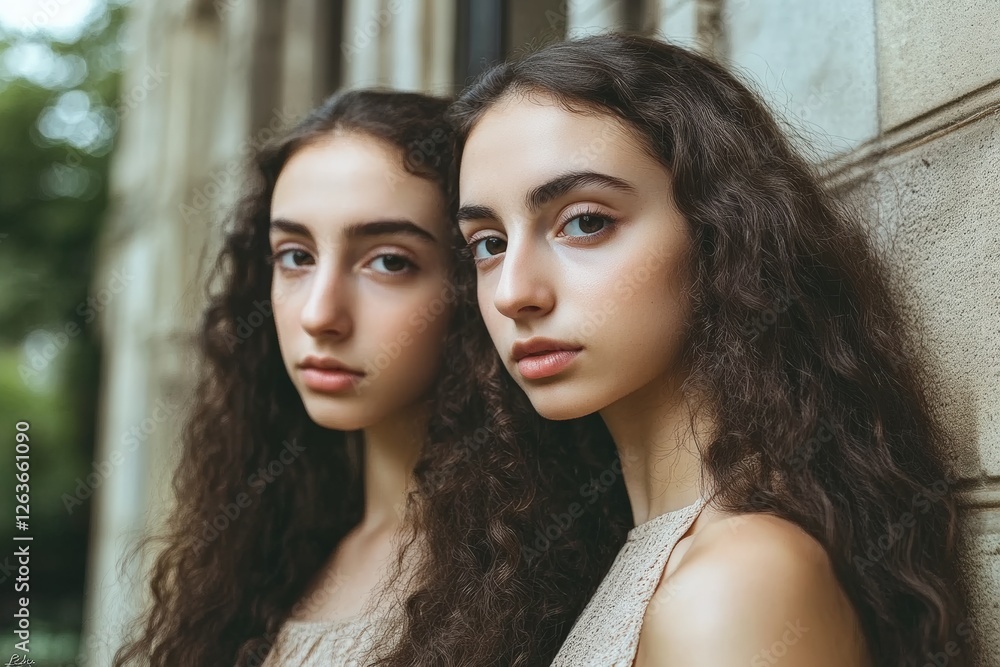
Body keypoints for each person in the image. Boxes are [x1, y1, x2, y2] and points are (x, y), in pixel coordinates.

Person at [451, 34, 972, 666]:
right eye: (487, 242)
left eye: (585, 222)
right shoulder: (617, 553)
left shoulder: (736, 583)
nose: (513, 293)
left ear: (720, 233)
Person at [113, 88, 631, 667]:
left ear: (473, 283)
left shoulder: (548, 562)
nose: (320, 315)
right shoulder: (261, 555)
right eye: (295, 256)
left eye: (388, 261)